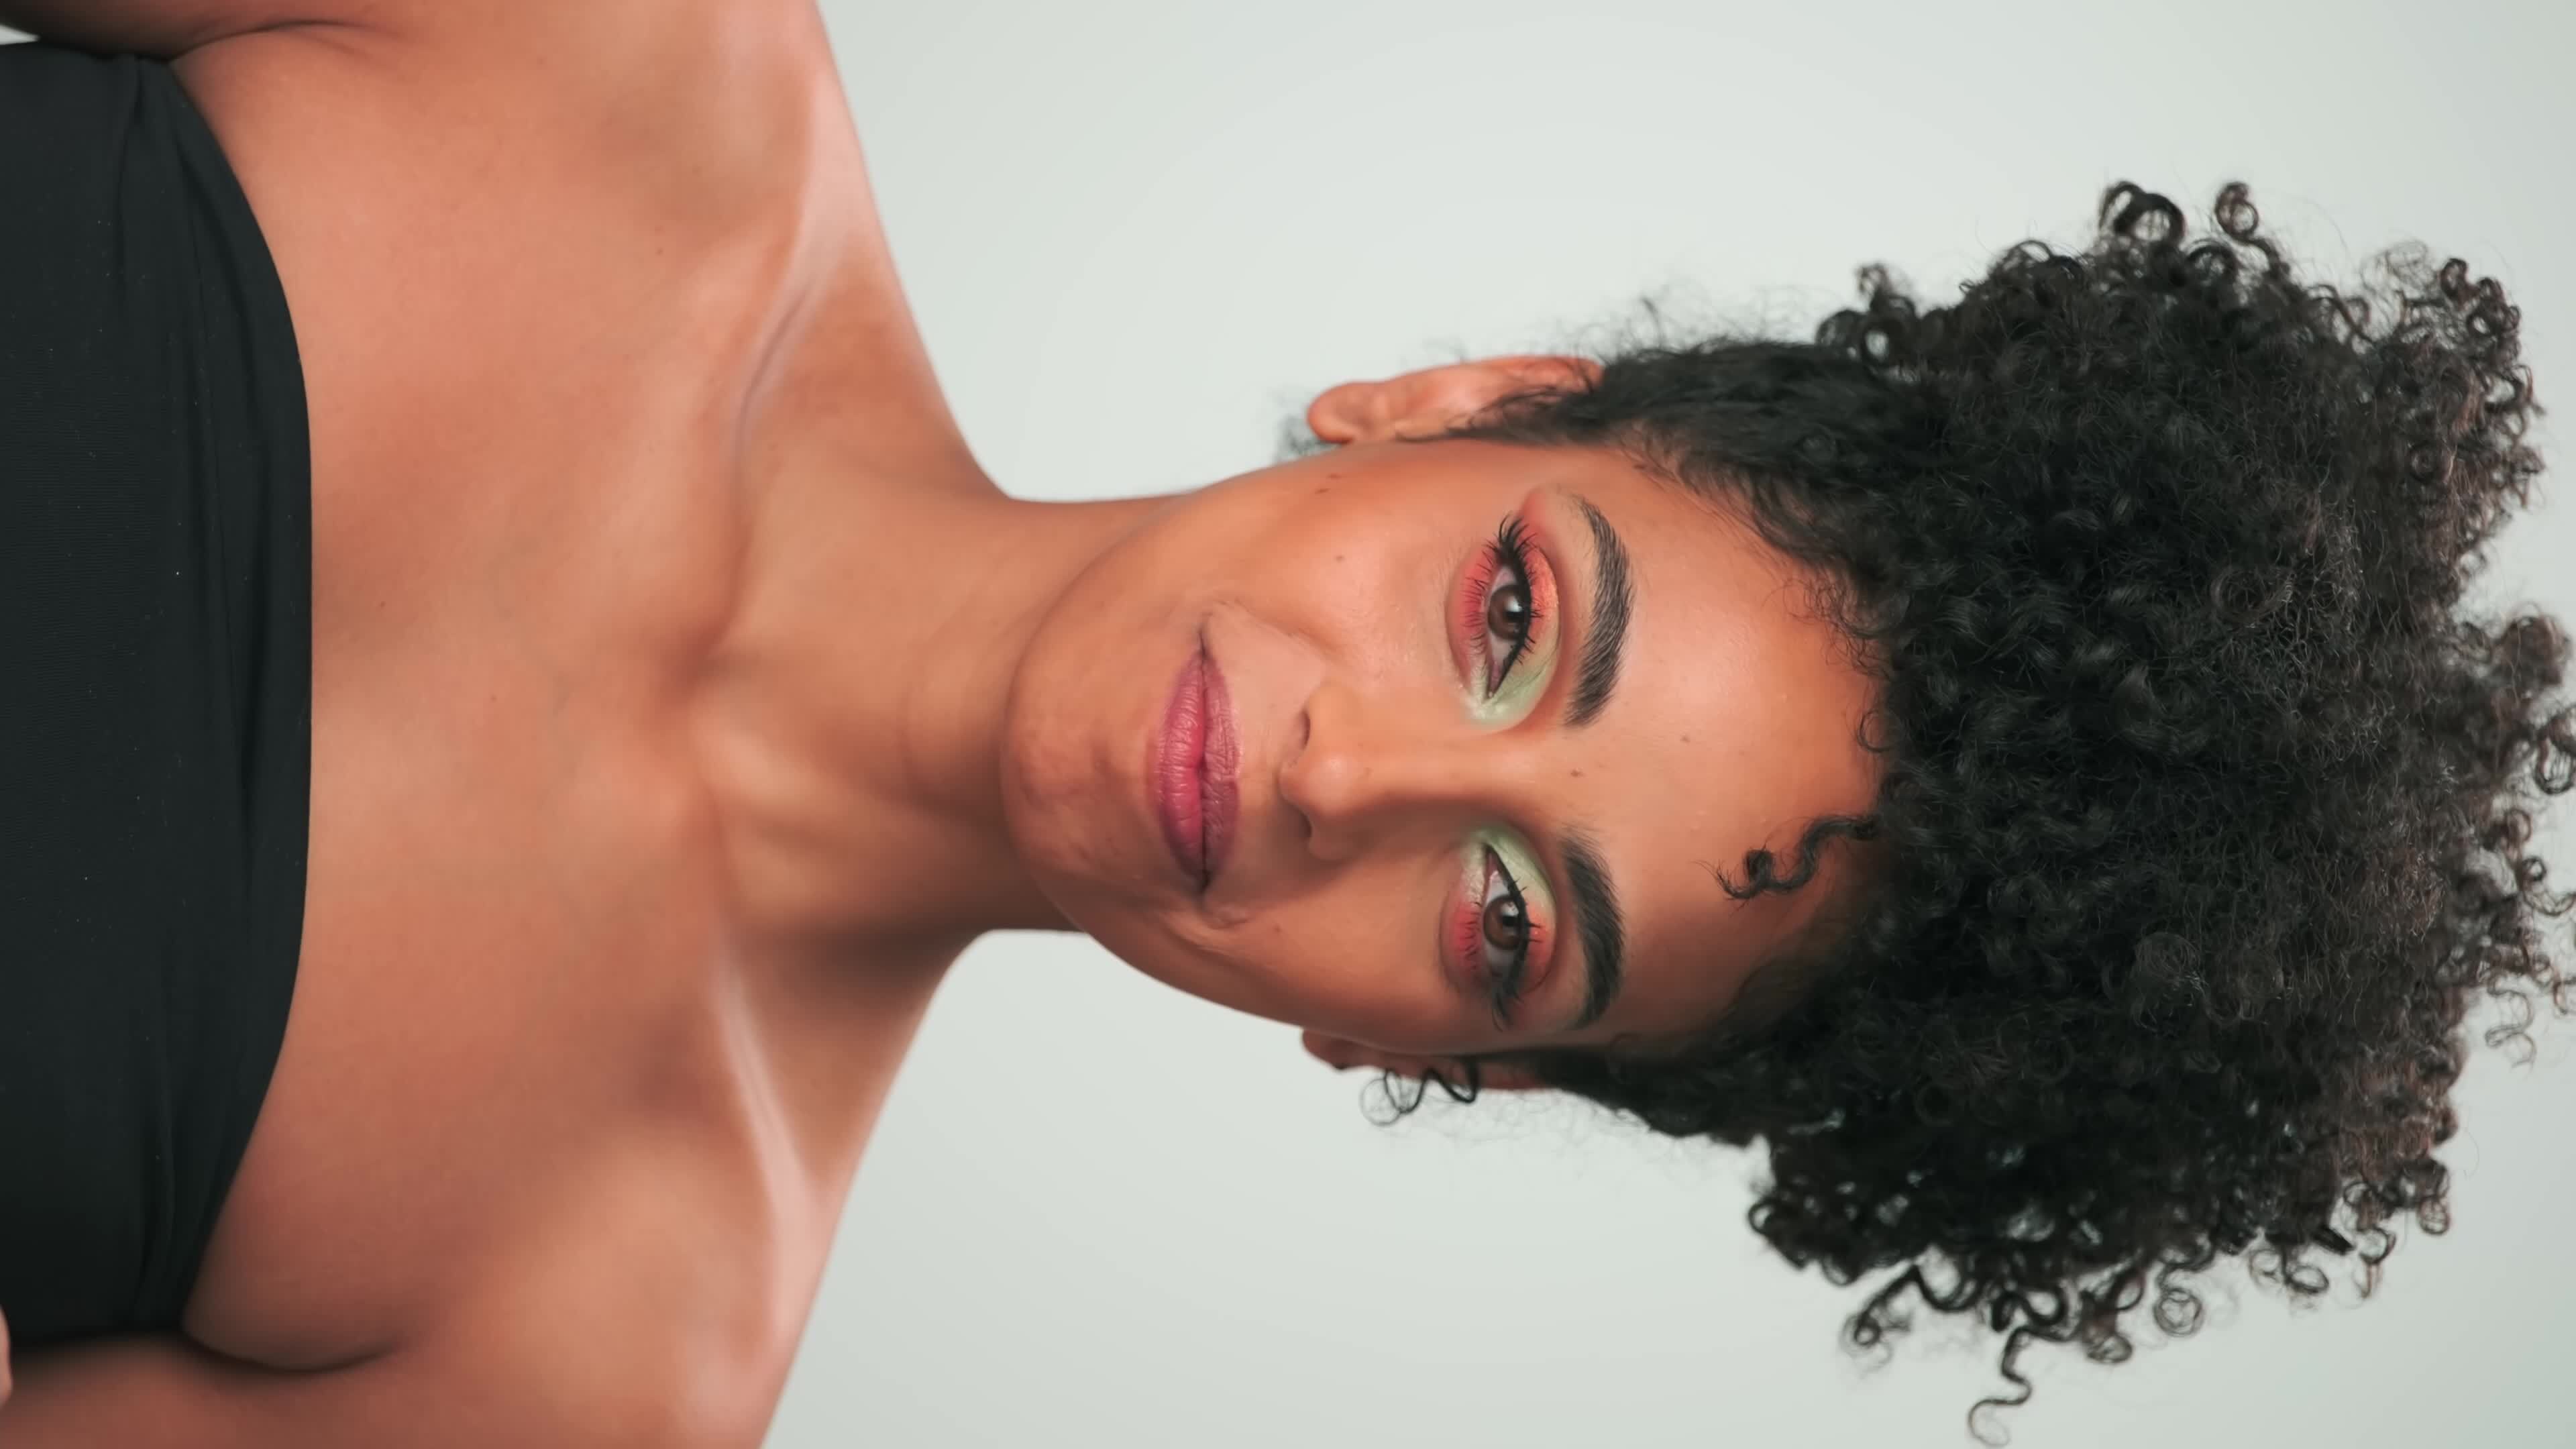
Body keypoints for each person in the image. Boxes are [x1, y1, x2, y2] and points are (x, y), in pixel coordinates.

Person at [0, 3, 2567, 1447]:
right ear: (1459, 398)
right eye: (1509, 619)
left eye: (1506, 918)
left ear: (1446, 1062)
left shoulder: (590, 1365)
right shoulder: (615, 68)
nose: (1352, 781)